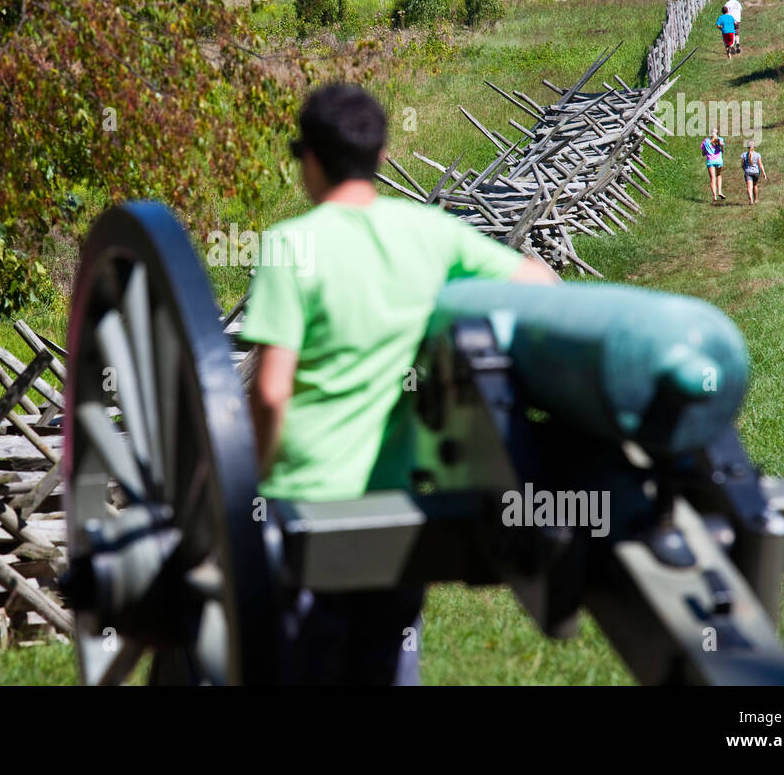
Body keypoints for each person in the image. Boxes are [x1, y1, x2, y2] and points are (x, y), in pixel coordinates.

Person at [239, 83, 558, 685]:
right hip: (400, 503)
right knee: (388, 661)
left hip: (308, 501)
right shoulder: (428, 233)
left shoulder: (289, 246)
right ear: (382, 156)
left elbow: (273, 391)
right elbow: (538, 283)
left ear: (308, 159)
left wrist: (251, 484)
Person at [701, 129, 726, 201]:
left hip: (710, 161)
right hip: (719, 160)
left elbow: (703, 153)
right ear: (717, 133)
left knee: (712, 178)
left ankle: (714, 196)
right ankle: (720, 191)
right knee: (719, 175)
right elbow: (722, 150)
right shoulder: (720, 139)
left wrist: (707, 152)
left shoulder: (705, 141)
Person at [741, 140, 765, 205]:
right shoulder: (757, 155)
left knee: (749, 186)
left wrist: (745, 169)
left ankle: (751, 200)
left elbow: (742, 164)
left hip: (748, 172)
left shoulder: (744, 155)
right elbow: (760, 164)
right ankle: (756, 199)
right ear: (754, 147)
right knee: (755, 185)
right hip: (756, 172)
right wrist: (764, 173)